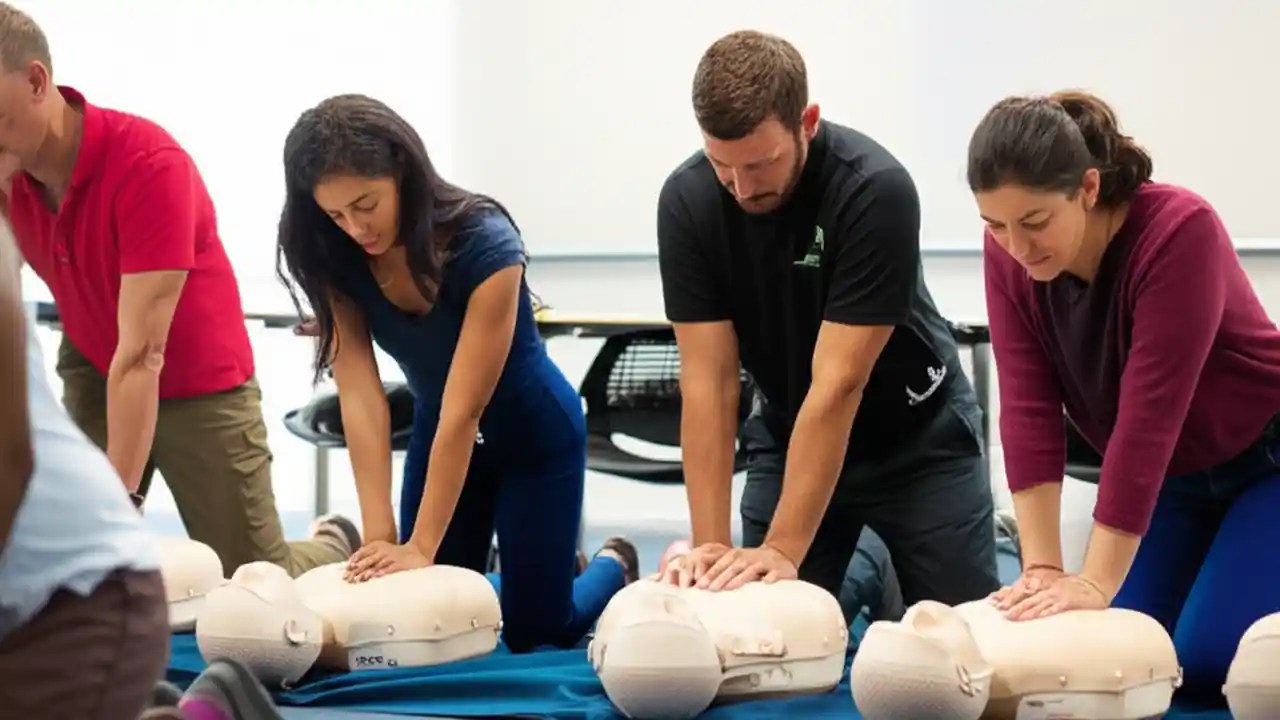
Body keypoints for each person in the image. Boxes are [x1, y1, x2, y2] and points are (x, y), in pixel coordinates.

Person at [0, 3, 356, 578]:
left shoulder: (148, 166)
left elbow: (143, 355)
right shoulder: (9, 171)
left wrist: (120, 510)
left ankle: (335, 541)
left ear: (37, 81)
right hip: (94, 358)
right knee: (66, 552)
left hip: (193, 379)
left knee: (253, 574)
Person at [274, 93, 638, 653]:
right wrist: (381, 538)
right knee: (426, 616)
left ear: (402, 171)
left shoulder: (487, 246)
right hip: (438, 436)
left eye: (365, 204)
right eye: (335, 214)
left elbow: (464, 411)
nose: (354, 226)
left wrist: (421, 544)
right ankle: (528, 566)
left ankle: (612, 563)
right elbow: (362, 399)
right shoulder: (335, 256)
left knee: (535, 632)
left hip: (534, 443)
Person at [654, 29, 1000, 612]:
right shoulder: (687, 203)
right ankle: (867, 566)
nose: (741, 187)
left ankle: (885, 561)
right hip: (792, 438)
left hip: (917, 443)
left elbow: (839, 383)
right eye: (722, 166)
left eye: (761, 165)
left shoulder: (873, 190)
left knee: (961, 644)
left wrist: (784, 552)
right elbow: (709, 385)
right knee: (759, 631)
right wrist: (711, 548)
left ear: (807, 121)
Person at [970, 89, 1280, 697]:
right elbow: (1029, 408)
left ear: (1087, 188)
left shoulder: (1179, 231)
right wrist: (1041, 570)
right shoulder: (1010, 250)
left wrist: (1093, 581)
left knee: (1213, 661)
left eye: (1035, 222)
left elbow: (1148, 422)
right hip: (1180, 481)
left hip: (1266, 458)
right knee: (1132, 651)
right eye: (996, 225)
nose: (1017, 246)